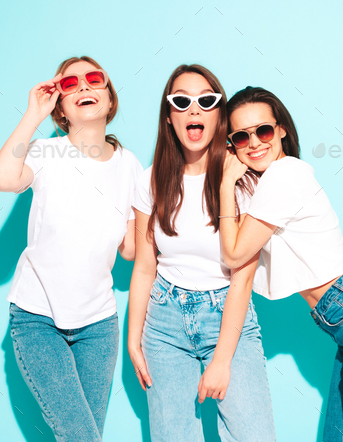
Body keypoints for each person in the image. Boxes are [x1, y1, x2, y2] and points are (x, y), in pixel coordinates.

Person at [219, 86, 343, 442]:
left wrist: (223, 184)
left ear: (281, 130)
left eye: (263, 130)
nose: (255, 142)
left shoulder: (285, 175)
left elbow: (233, 254)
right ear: (231, 143)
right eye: (241, 136)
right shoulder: (264, 187)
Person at [0, 56, 143, 441]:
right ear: (61, 109)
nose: (84, 87)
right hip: (37, 318)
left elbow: (130, 249)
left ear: (110, 100)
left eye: (94, 79)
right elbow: (0, 177)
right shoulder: (44, 152)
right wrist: (33, 114)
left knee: (86, 435)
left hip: (100, 326)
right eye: (70, 84)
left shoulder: (130, 165)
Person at [128, 65, 276, 442]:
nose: (194, 110)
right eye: (182, 101)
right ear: (169, 117)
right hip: (163, 322)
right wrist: (134, 338)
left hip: (228, 314)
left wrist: (222, 360)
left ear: (219, 115)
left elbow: (243, 275)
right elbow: (145, 266)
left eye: (206, 101)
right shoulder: (150, 180)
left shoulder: (244, 180)